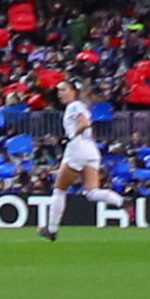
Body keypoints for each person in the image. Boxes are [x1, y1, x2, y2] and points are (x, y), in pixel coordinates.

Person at [46, 83, 103, 242]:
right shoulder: (82, 106)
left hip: (77, 149)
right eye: (58, 91)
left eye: (63, 90)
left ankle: (51, 228)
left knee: (59, 189)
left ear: (74, 91)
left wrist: (70, 136)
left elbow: (84, 124)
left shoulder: (74, 106)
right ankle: (121, 202)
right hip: (90, 149)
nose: (60, 94)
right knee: (92, 192)